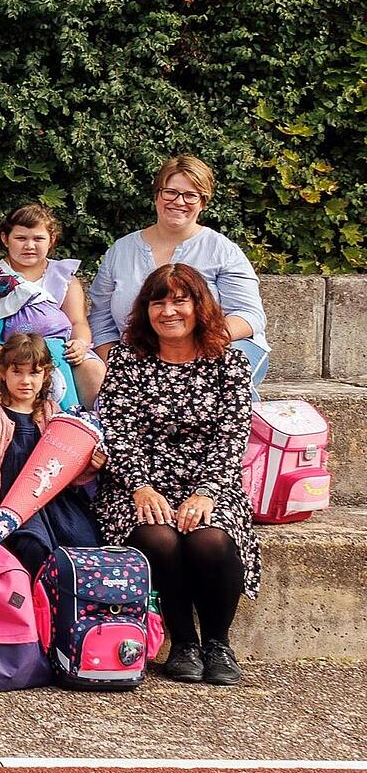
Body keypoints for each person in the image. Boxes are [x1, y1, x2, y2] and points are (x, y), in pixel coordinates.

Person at [93, 263, 260, 685]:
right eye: (158, 301)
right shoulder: (128, 361)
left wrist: (206, 492)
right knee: (158, 535)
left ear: (199, 306)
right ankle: (184, 642)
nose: (168, 310)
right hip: (137, 483)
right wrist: (141, 486)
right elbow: (118, 428)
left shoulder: (230, 364)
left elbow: (232, 437)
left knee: (211, 538)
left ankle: (217, 643)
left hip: (210, 484)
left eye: (179, 300)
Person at [88, 153, 270, 385]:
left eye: (190, 195)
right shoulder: (121, 251)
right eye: (171, 192)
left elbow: (249, 315)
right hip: (140, 356)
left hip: (218, 348)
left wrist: (189, 351)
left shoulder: (222, 250)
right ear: (157, 195)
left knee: (216, 385)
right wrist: (118, 366)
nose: (179, 201)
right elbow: (101, 319)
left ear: (203, 202)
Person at [0, 332, 100, 575]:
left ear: (46, 375)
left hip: (53, 499)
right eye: (17, 372)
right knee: (33, 546)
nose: (25, 381)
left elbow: (67, 467)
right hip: (13, 501)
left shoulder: (52, 412)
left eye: (34, 373)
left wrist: (91, 466)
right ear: (3, 372)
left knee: (83, 541)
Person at [0, 203, 104, 408]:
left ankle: (83, 428)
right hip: (6, 352)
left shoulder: (64, 277)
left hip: (58, 349)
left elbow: (78, 321)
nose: (29, 245)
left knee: (93, 371)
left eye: (38, 239)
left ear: (51, 240)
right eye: (21, 238)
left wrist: (79, 343)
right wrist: (9, 360)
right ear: (5, 238)